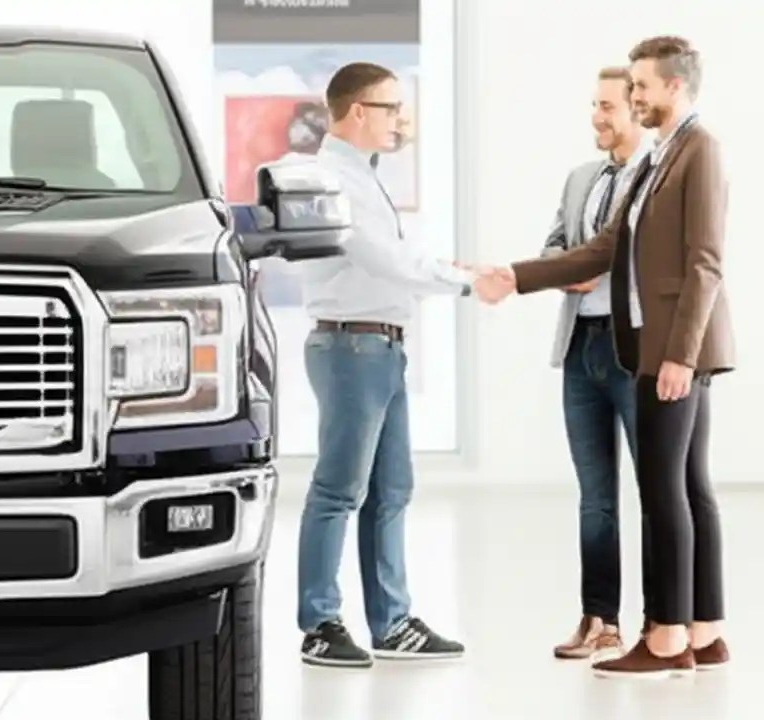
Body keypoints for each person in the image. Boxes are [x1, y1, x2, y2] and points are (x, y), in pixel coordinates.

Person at [477, 35, 733, 677]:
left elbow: (705, 262)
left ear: (674, 86)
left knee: (664, 490)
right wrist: (513, 274)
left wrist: (678, 354)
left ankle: (667, 637)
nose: (635, 96)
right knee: (689, 487)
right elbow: (603, 250)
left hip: (670, 348)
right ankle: (706, 631)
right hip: (654, 343)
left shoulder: (699, 149)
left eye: (642, 87)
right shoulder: (658, 159)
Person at [295, 61, 476, 668]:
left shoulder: (363, 178)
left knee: (391, 488)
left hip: (381, 346)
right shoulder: (330, 178)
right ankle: (320, 623)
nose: (401, 119)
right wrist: (466, 284)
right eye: (391, 107)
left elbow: (402, 253)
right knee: (338, 489)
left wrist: (455, 272)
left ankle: (392, 622)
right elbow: (382, 261)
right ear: (355, 113)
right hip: (351, 348)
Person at [545, 66, 651, 661]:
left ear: (637, 108)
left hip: (631, 350)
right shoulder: (581, 177)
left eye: (608, 106)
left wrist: (604, 268)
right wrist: (566, 267)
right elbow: (553, 244)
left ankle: (660, 622)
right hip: (580, 348)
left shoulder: (656, 177)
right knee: (595, 498)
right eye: (593, 105)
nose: (597, 116)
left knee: (653, 490)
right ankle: (599, 618)